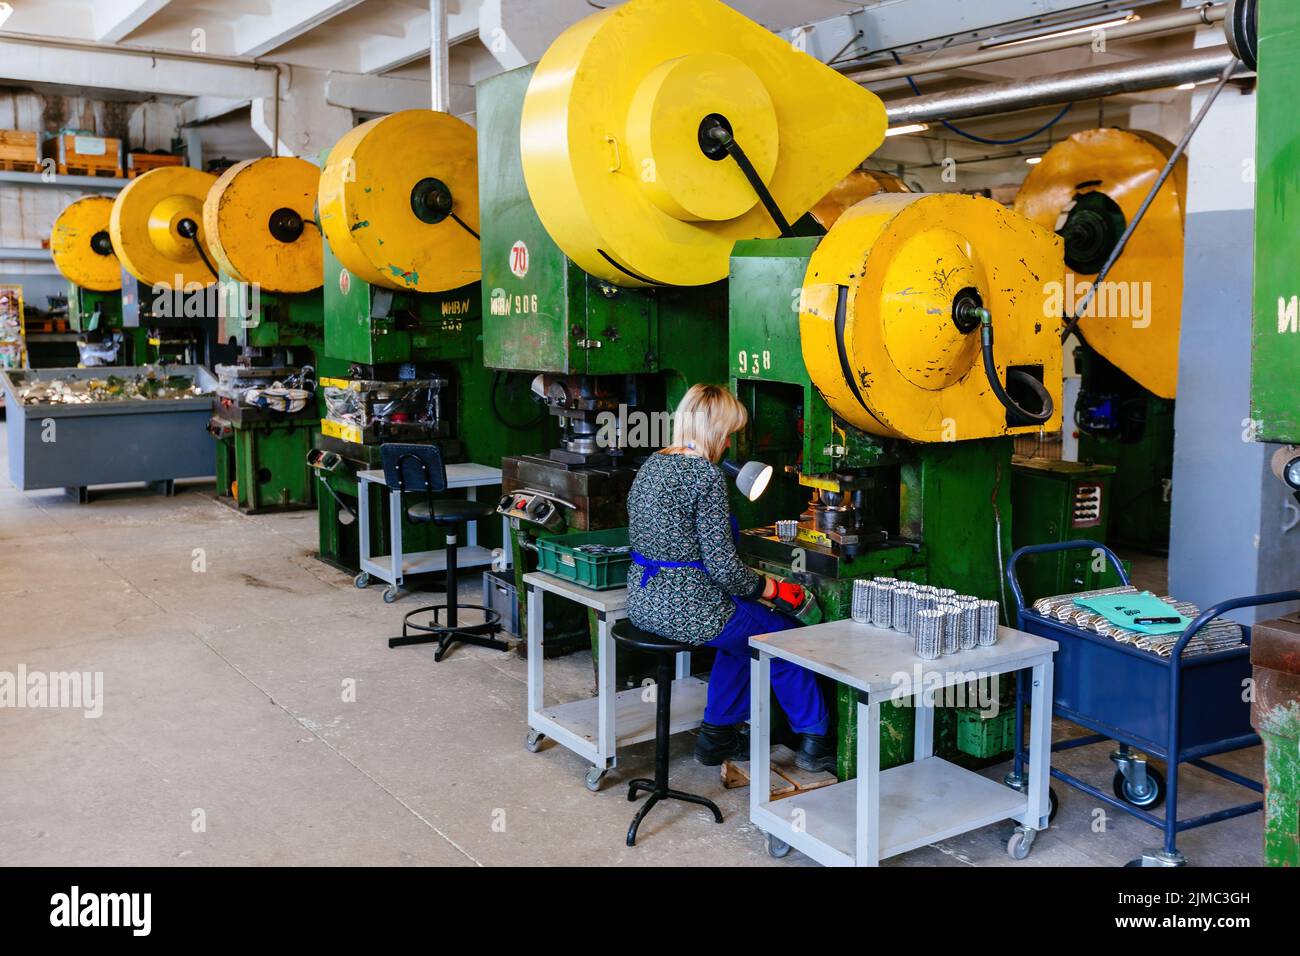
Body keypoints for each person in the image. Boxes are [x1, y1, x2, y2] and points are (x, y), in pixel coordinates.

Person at [625, 383, 833, 771]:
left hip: (643, 599)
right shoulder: (705, 476)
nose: (728, 445)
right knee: (783, 636)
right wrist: (772, 588)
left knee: (741, 639)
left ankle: (715, 738)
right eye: (727, 435)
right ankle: (815, 739)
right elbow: (723, 568)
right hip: (687, 608)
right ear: (713, 431)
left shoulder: (653, 463)